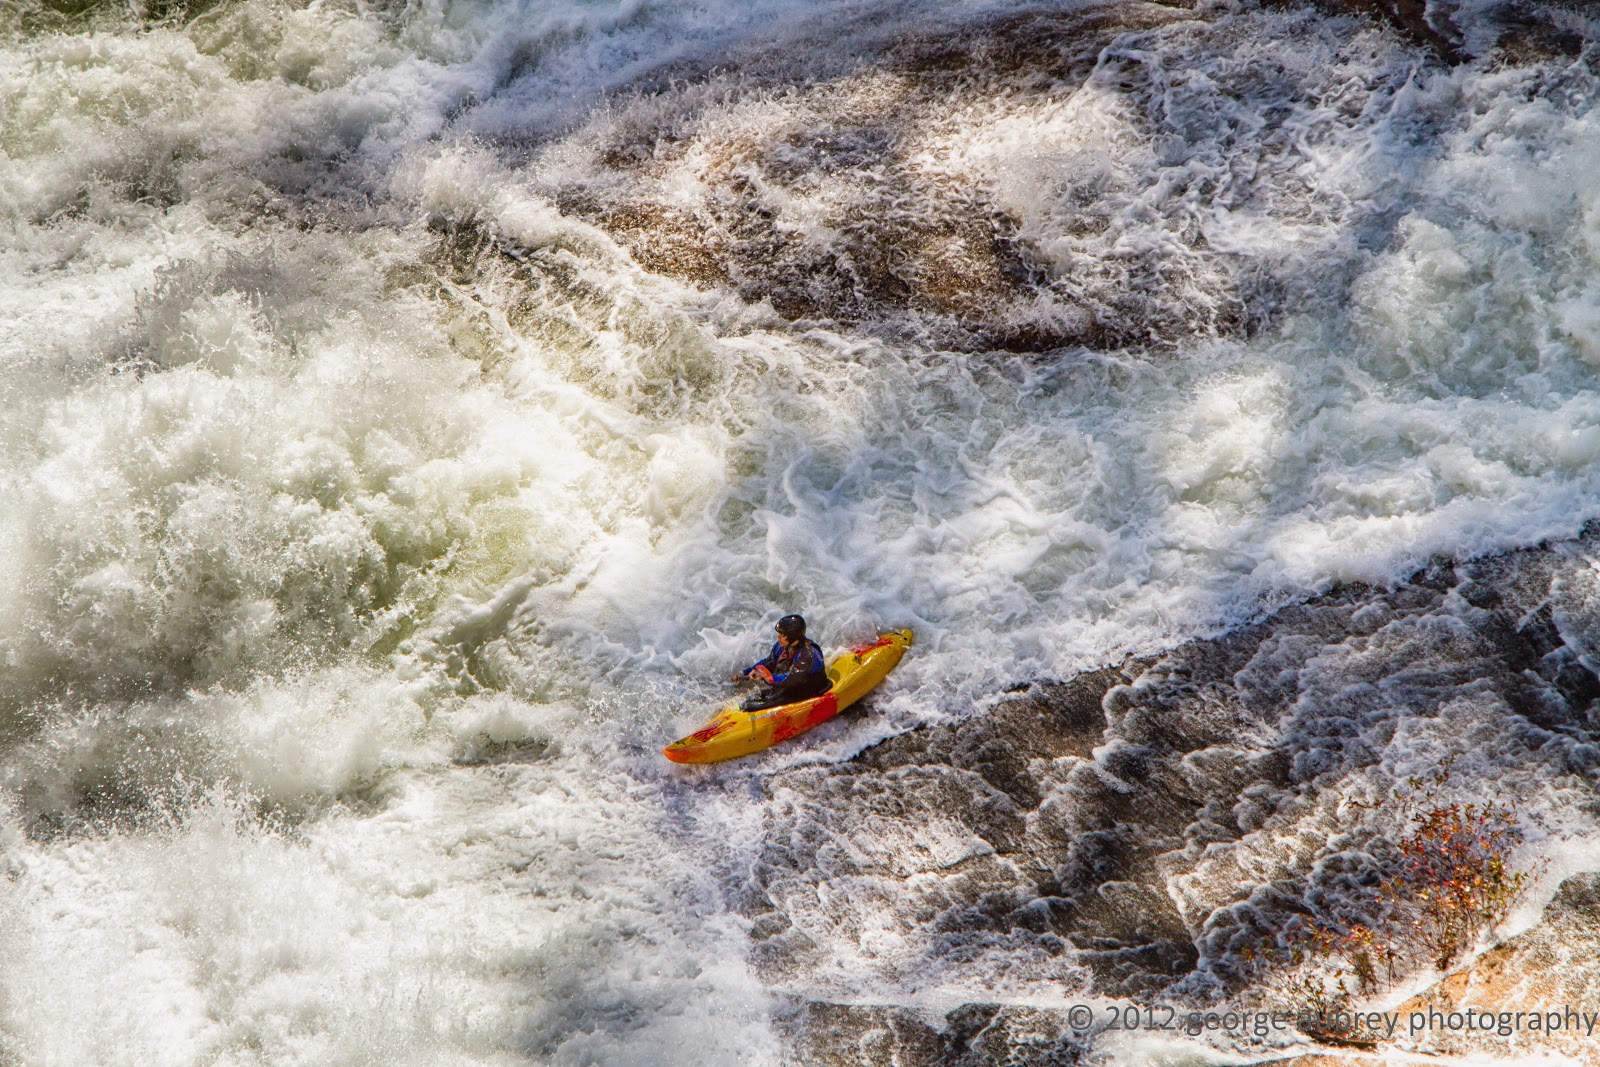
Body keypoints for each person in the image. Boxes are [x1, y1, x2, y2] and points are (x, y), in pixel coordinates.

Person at [736, 614, 830, 711]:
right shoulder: (781, 646)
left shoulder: (809, 654)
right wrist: (745, 673)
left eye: (783, 635)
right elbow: (769, 663)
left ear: (793, 636)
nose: (778, 637)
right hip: (791, 688)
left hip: (809, 689)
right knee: (748, 700)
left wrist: (769, 678)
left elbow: (792, 678)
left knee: (751, 707)